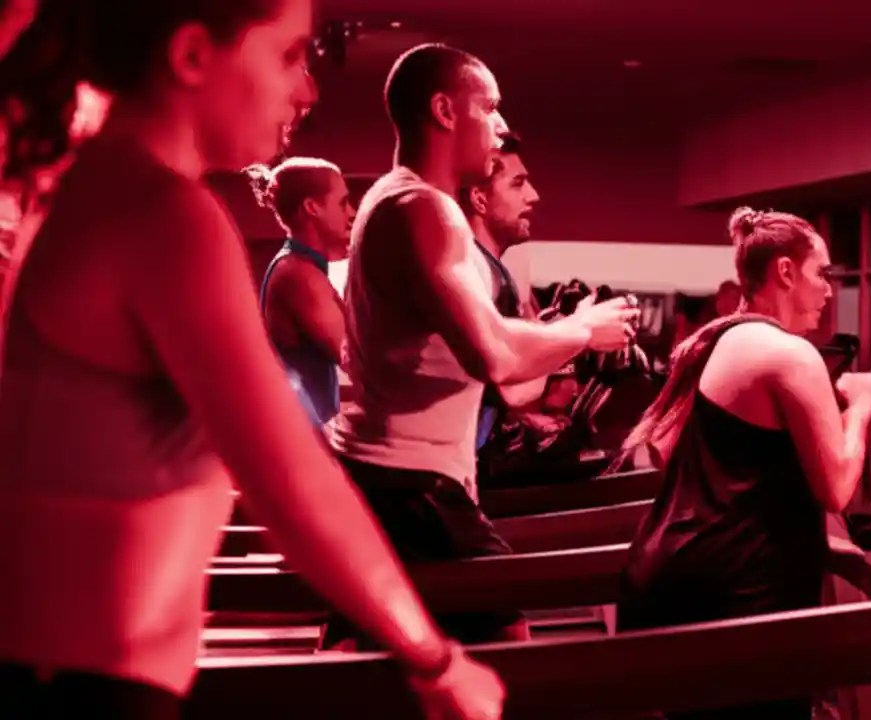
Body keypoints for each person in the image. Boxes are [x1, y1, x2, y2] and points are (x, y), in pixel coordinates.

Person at [0, 3, 504, 720]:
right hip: (89, 690)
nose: (307, 92)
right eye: (288, 55)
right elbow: (291, 481)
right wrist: (435, 659)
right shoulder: (163, 214)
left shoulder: (93, 185)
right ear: (194, 57)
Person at [329, 42, 637, 644]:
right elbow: (492, 354)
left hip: (388, 476)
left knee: (371, 649)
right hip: (410, 483)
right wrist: (582, 330)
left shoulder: (389, 199)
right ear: (446, 111)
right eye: (489, 107)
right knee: (508, 644)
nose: (500, 125)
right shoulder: (424, 209)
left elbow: (493, 363)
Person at [617, 207, 871, 718]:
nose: (830, 291)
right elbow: (837, 489)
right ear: (785, 272)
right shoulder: (790, 353)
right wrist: (863, 401)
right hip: (734, 600)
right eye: (822, 274)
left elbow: (690, 465)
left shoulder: (715, 339)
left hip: (669, 581)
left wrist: (819, 544)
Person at [457, 132, 548, 450]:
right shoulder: (479, 273)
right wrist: (581, 334)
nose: (533, 195)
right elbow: (514, 390)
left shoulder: (489, 270)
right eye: (517, 183)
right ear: (479, 199)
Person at [251, 156, 355, 427]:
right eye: (343, 203)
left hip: (310, 426)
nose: (352, 213)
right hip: (303, 429)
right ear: (312, 207)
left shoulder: (305, 270)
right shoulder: (299, 276)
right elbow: (355, 360)